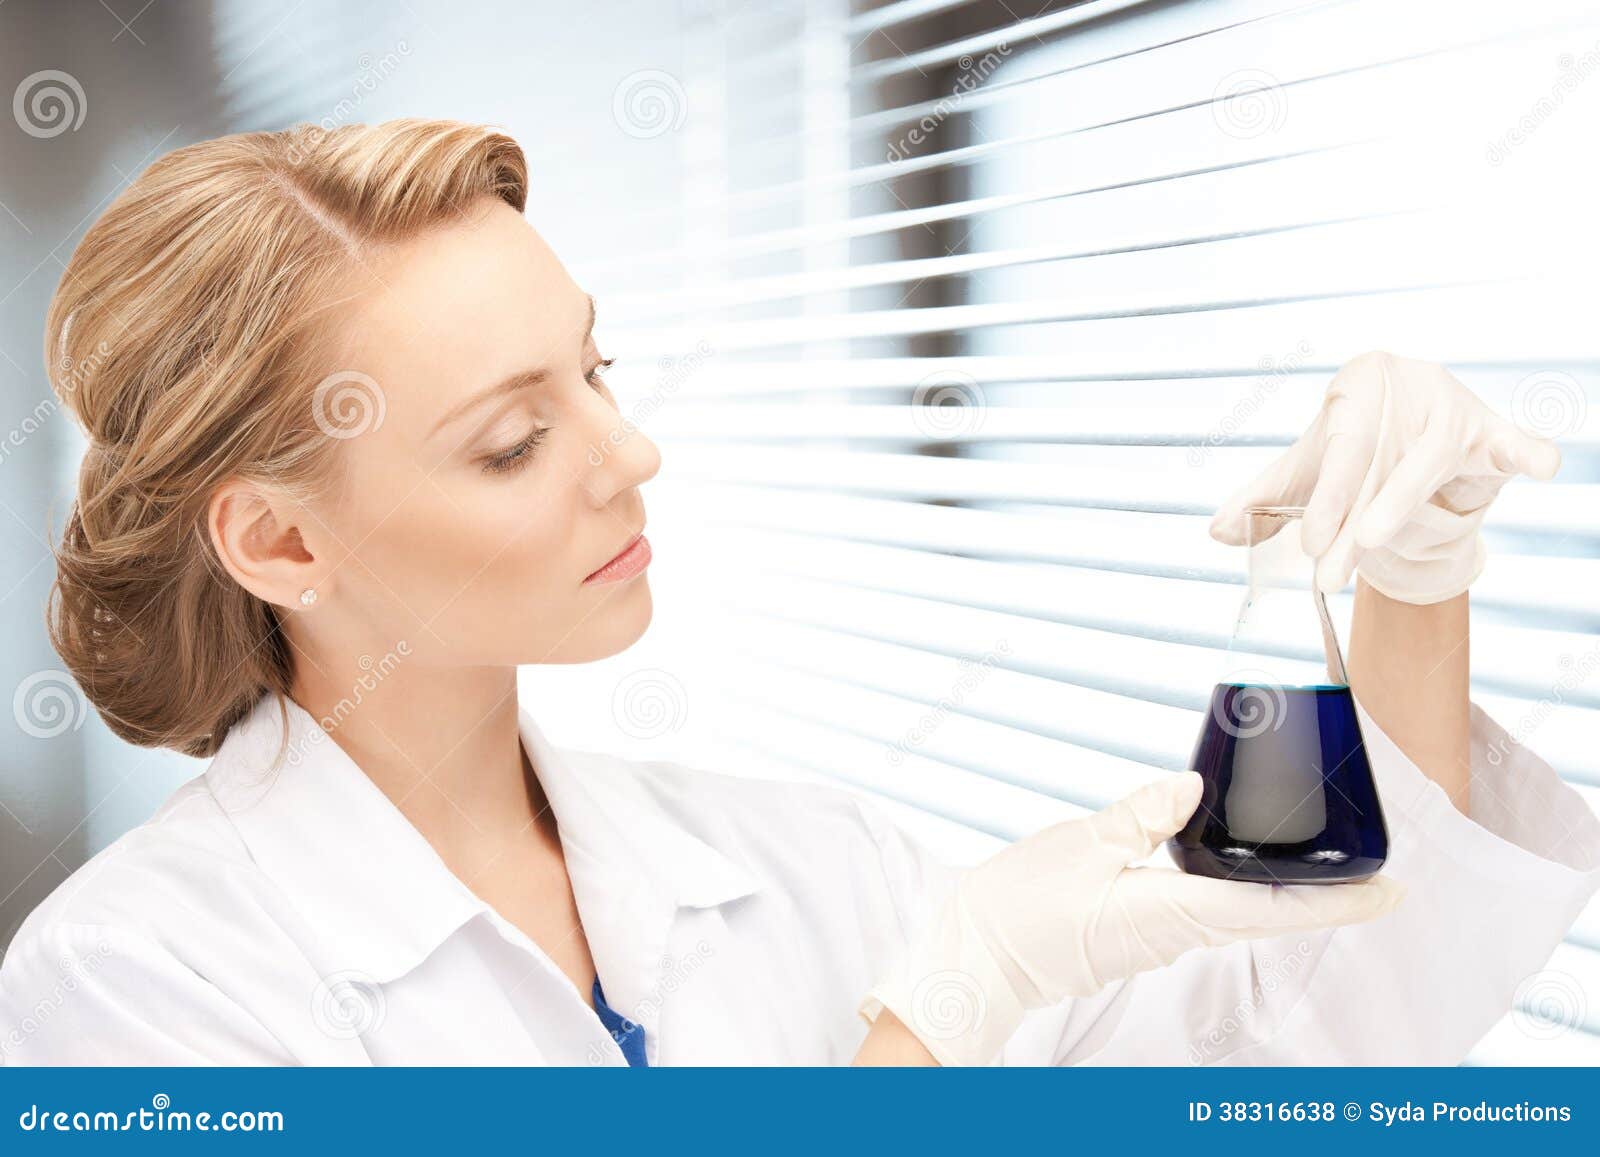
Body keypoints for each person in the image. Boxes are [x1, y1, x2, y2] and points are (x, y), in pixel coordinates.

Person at [1, 120, 1595, 1066]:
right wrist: (930, 1016)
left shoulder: (800, 863)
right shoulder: (135, 984)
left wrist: (1414, 578)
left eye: (596, 367)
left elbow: (1311, 1050)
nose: (632, 449)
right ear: (281, 545)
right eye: (510, 439)